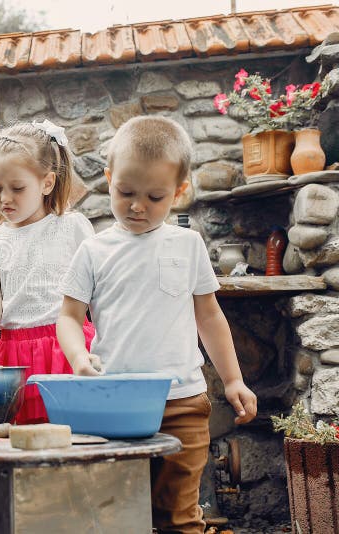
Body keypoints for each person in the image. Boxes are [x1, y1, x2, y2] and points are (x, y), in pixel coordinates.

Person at [56, 116, 257, 534]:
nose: (136, 206)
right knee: (113, 515)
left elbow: (209, 316)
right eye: (125, 192)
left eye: (154, 196)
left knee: (178, 518)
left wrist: (233, 380)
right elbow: (69, 318)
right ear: (109, 179)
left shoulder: (189, 245)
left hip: (182, 403)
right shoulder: (93, 250)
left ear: (179, 193)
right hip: (114, 404)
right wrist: (77, 356)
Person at [0, 120, 96, 425]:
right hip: (14, 357)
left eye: (17, 188)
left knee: (77, 436)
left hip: (68, 346)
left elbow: (96, 294)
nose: (4, 198)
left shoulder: (73, 227)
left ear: (47, 183)